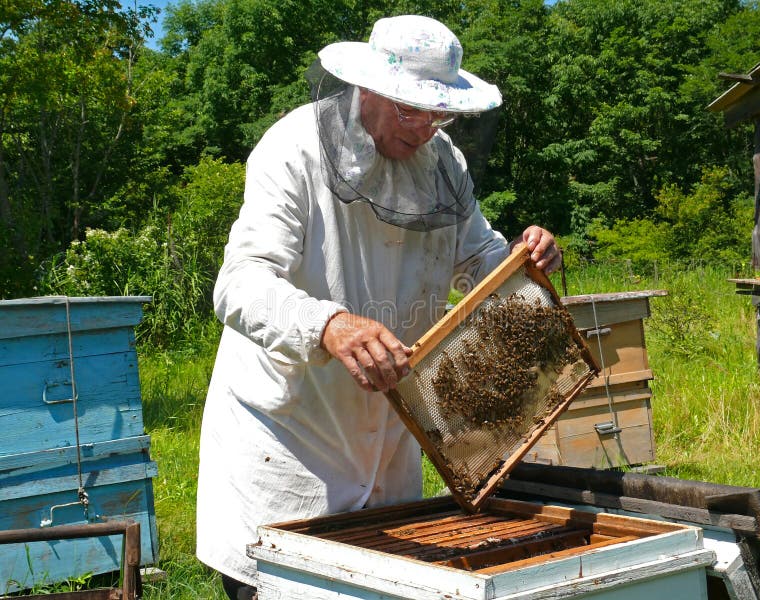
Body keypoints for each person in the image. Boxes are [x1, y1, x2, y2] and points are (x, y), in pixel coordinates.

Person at [196, 14, 561, 599]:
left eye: (437, 114)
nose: (422, 129)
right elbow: (239, 282)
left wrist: (523, 258)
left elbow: (480, 257)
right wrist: (328, 324)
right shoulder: (291, 150)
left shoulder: (445, 162)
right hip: (290, 443)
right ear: (369, 88)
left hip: (391, 440)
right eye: (408, 111)